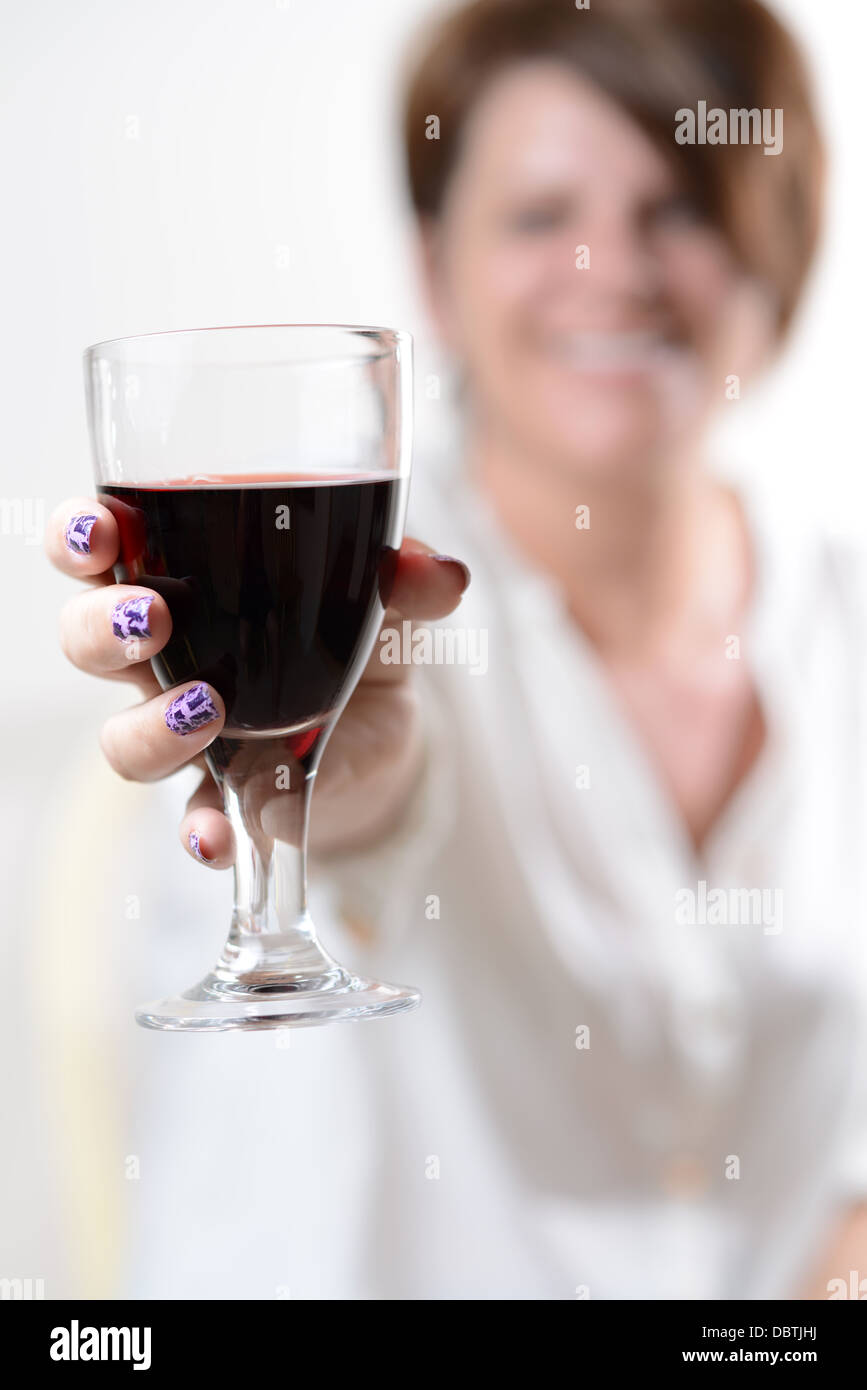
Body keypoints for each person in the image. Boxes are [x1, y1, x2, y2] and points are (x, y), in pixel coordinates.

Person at [46, 0, 867, 1299]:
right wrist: (327, 771)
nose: (616, 268)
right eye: (544, 217)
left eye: (683, 208)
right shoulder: (312, 598)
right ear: (436, 274)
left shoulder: (843, 618)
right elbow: (374, 827)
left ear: (781, 253)